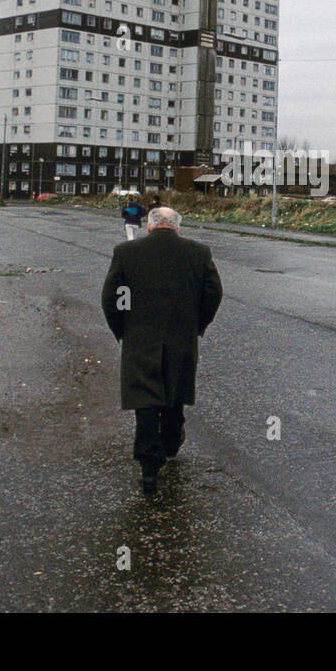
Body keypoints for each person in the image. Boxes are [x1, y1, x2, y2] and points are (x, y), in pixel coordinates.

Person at [100, 207, 222, 494]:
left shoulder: (126, 252)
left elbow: (112, 297)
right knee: (174, 392)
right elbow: (213, 293)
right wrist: (197, 324)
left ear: (150, 227)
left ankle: (149, 468)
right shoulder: (199, 253)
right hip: (181, 336)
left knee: (145, 399)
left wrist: (122, 328)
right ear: (177, 228)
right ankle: (169, 443)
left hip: (140, 337)